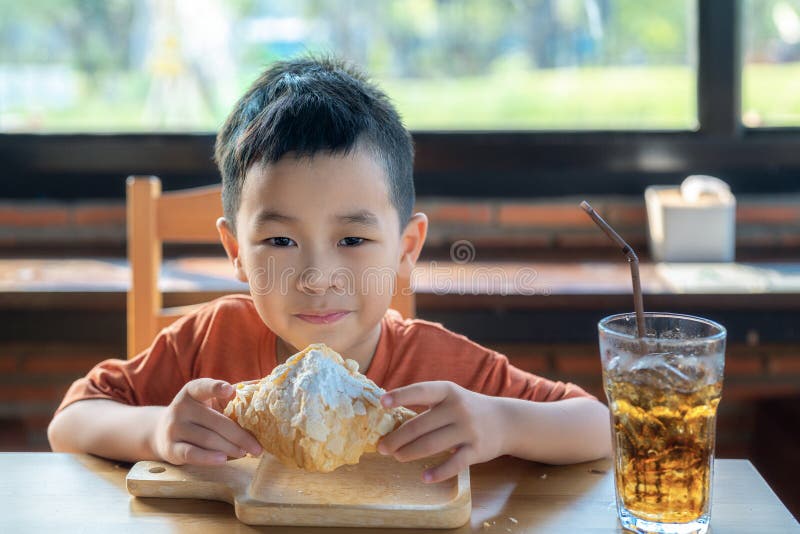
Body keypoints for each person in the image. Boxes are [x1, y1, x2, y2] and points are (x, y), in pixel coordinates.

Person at [48, 56, 611, 483]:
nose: (318, 276)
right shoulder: (208, 343)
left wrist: (503, 422)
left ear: (406, 247)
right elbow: (70, 422)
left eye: (353, 238)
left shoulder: (437, 367)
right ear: (236, 251)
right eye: (279, 239)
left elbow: (600, 427)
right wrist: (157, 431)